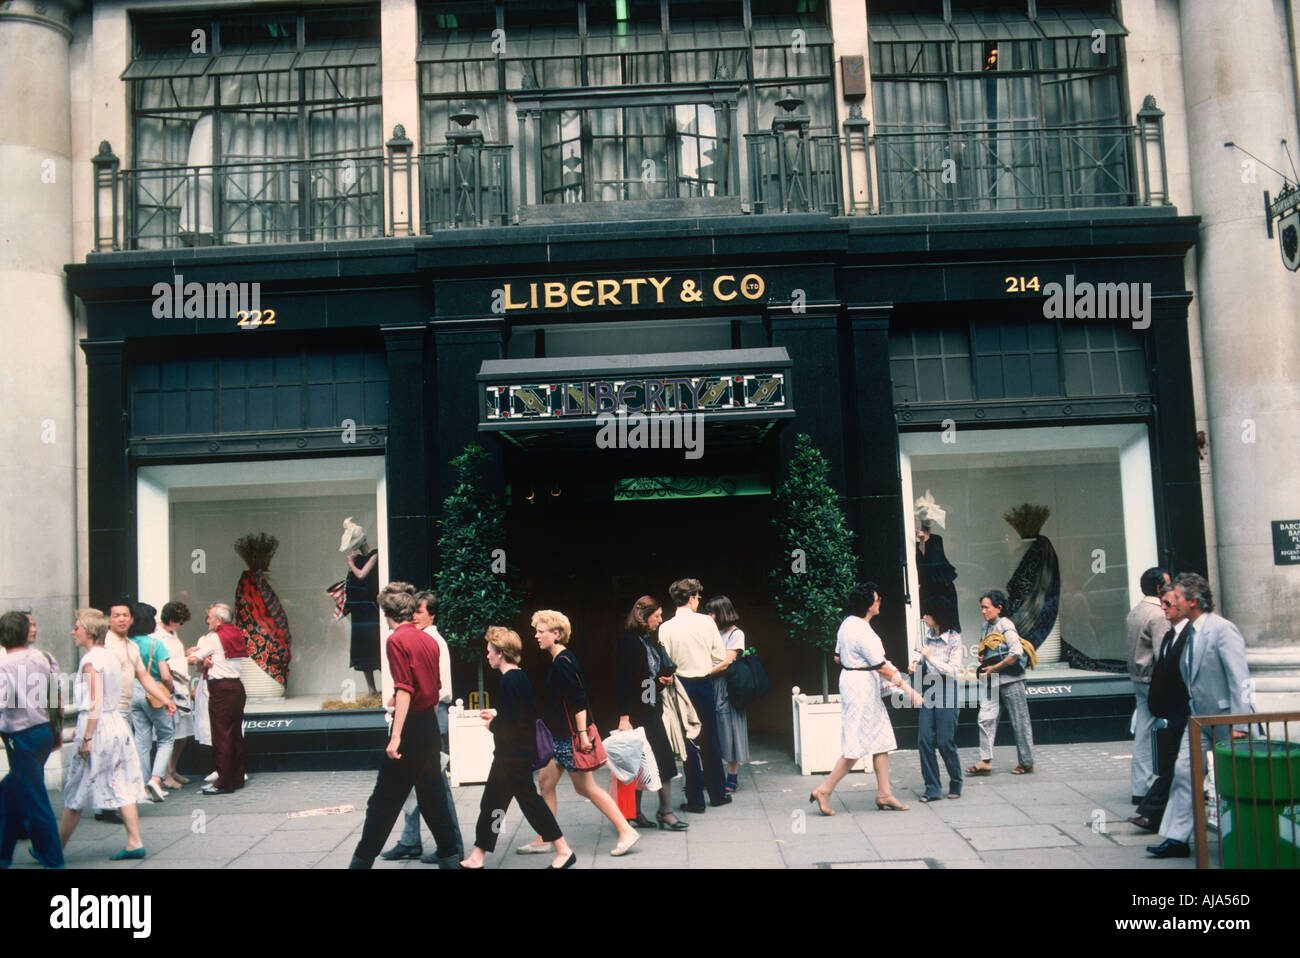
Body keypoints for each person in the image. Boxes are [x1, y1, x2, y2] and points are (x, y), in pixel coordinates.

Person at [349, 583, 461, 869]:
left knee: (383, 802)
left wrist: (396, 735)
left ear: (385, 611)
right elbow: (434, 691)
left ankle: (361, 861)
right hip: (427, 725)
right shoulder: (428, 640)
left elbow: (404, 689)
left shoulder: (396, 640)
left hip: (410, 726)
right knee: (432, 796)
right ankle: (450, 856)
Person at [518, 610, 640, 857]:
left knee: (586, 788)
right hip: (560, 737)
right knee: (545, 782)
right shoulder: (560, 659)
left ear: (556, 633)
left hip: (568, 738)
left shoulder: (563, 662)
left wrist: (583, 736)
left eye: (541, 631)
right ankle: (545, 836)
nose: (536, 635)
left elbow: (579, 701)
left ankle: (626, 830)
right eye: (536, 631)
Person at [1148, 573, 1253, 859]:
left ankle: (1247, 838)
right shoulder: (1190, 631)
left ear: (1193, 601)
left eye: (1178, 597)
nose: (1172, 601)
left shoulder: (1222, 630)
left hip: (1226, 720)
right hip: (1198, 720)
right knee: (1184, 773)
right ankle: (1177, 838)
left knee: (1237, 781)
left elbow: (1240, 679)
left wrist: (1240, 724)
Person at [59, 608, 175, 861]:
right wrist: (165, 698)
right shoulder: (110, 656)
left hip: (98, 726)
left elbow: (94, 703)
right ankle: (135, 841)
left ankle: (53, 849)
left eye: (76, 627)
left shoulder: (91, 661)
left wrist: (87, 738)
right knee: (121, 783)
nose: (73, 632)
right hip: (116, 726)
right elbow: (140, 677)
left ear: (88, 631)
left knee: (76, 790)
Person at [461, 628, 576, 869]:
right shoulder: (519, 677)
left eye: (490, 651)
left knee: (529, 803)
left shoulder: (508, 680)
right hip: (513, 754)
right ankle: (478, 854)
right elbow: (521, 715)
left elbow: (511, 723)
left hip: (511, 756)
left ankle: (563, 849)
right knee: (493, 804)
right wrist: (498, 715)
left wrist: (493, 723)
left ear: (500, 653)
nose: (487, 655)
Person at [810, 583, 923, 815]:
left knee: (880, 736)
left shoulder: (846, 624)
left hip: (854, 681)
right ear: (868, 605)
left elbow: (838, 658)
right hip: (861, 686)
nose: (880, 601)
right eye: (877, 599)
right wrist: (909, 691)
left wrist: (857, 664)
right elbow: (881, 666)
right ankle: (825, 789)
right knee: (856, 742)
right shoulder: (861, 630)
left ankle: (884, 793)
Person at [381, 589, 464, 866]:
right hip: (420, 713)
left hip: (429, 713)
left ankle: (452, 846)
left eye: (419, 611)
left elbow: (435, 688)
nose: (414, 616)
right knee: (414, 781)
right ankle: (411, 840)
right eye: (412, 611)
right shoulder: (420, 637)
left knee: (436, 786)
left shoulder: (430, 640)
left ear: (432, 614)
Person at [98, 601, 177, 823]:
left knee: (128, 749)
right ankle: (109, 802)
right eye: (116, 615)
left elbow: (143, 676)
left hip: (125, 704)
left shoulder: (132, 647)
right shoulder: (104, 644)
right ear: (109, 620)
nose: (122, 619)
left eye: (125, 615)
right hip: (107, 708)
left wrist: (164, 699)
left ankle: (112, 802)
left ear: (132, 620)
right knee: (118, 752)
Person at [657, 578, 731, 813]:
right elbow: (719, 655)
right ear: (691, 598)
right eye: (698, 597)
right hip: (704, 684)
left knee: (688, 741)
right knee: (709, 739)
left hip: (680, 687)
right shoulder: (707, 623)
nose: (699, 601)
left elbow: (664, 662)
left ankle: (695, 800)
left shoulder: (666, 627)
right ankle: (718, 794)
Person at [615, 596, 687, 831]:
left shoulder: (644, 639)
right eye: (656, 615)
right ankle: (664, 812)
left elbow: (644, 677)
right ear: (643, 617)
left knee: (644, 760)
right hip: (638, 713)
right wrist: (624, 717)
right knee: (658, 758)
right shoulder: (631, 642)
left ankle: (638, 813)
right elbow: (625, 681)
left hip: (648, 708)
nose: (660, 619)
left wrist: (659, 681)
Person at [0, 610, 64, 868]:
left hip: (20, 736)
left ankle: (53, 859)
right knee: (10, 793)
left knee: (34, 799)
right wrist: (57, 732)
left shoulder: (5, 666)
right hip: (44, 731)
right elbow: (54, 697)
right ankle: (3, 854)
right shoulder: (43, 657)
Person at [1128, 584, 1190, 833]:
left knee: (1178, 762)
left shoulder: (1138, 612)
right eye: (1162, 602)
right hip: (1165, 697)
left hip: (1184, 706)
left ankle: (1149, 805)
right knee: (1177, 762)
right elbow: (1163, 663)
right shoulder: (1166, 629)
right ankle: (1153, 812)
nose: (1162, 607)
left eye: (1167, 603)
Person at [966, 590, 1035, 776]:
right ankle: (985, 761)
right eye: (982, 608)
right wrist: (983, 657)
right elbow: (987, 649)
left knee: (1019, 721)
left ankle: (1027, 763)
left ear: (999, 608)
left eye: (987, 608)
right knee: (985, 719)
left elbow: (1016, 652)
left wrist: (994, 668)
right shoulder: (985, 627)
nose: (983, 611)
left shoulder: (1006, 624)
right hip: (992, 680)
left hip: (1011, 680)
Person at [186, 604, 247, 795]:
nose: (208, 621)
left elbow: (195, 659)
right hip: (236, 686)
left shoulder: (214, 636)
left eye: (210, 617)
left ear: (218, 620)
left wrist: (188, 654)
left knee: (221, 735)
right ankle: (236, 777)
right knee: (235, 734)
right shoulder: (235, 632)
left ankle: (223, 782)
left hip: (220, 689)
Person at [908, 594, 964, 802]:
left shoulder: (955, 639)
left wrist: (931, 657)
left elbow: (953, 670)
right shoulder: (928, 634)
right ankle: (932, 787)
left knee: (944, 740)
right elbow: (920, 654)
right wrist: (915, 662)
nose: (924, 617)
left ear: (938, 616)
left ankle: (956, 780)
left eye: (927, 613)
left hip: (947, 687)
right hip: (929, 686)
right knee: (924, 739)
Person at [1126, 567, 1170, 804]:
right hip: (1154, 680)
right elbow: (1162, 654)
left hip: (1138, 679)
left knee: (1143, 731)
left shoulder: (1136, 612)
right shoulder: (1158, 615)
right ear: (1158, 588)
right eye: (1168, 583)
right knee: (1172, 730)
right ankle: (1166, 782)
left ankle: (1140, 787)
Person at [128, 602, 175, 804]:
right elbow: (165, 675)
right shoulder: (156, 645)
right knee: (166, 737)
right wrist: (170, 691)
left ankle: (143, 785)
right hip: (154, 692)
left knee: (142, 739)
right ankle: (156, 779)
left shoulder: (128, 644)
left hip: (132, 691)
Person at [704, 594, 750, 794]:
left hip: (725, 686)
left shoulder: (736, 634)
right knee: (710, 728)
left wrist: (702, 674)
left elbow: (726, 663)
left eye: (712, 612)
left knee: (730, 728)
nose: (709, 615)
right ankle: (712, 774)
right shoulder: (710, 631)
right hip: (710, 684)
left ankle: (732, 776)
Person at [155, 602, 194, 790]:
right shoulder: (157, 636)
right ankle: (165, 774)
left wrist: (186, 655)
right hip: (169, 688)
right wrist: (186, 660)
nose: (181, 626)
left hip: (180, 687)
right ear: (171, 621)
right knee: (172, 732)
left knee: (183, 733)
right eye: (179, 622)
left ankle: (173, 768)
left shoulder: (171, 632)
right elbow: (166, 664)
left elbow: (175, 657)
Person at [340, 518, 381, 696]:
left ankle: (383, 685)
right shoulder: (358, 559)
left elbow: (363, 575)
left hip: (370, 610)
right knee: (362, 648)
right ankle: (371, 689)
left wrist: (350, 564)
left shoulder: (374, 555)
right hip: (359, 612)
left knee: (375, 645)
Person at [916, 522, 960, 632]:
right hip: (929, 589)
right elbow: (922, 553)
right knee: (928, 625)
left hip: (945, 588)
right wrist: (921, 540)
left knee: (949, 623)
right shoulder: (917, 539)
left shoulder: (937, 539)